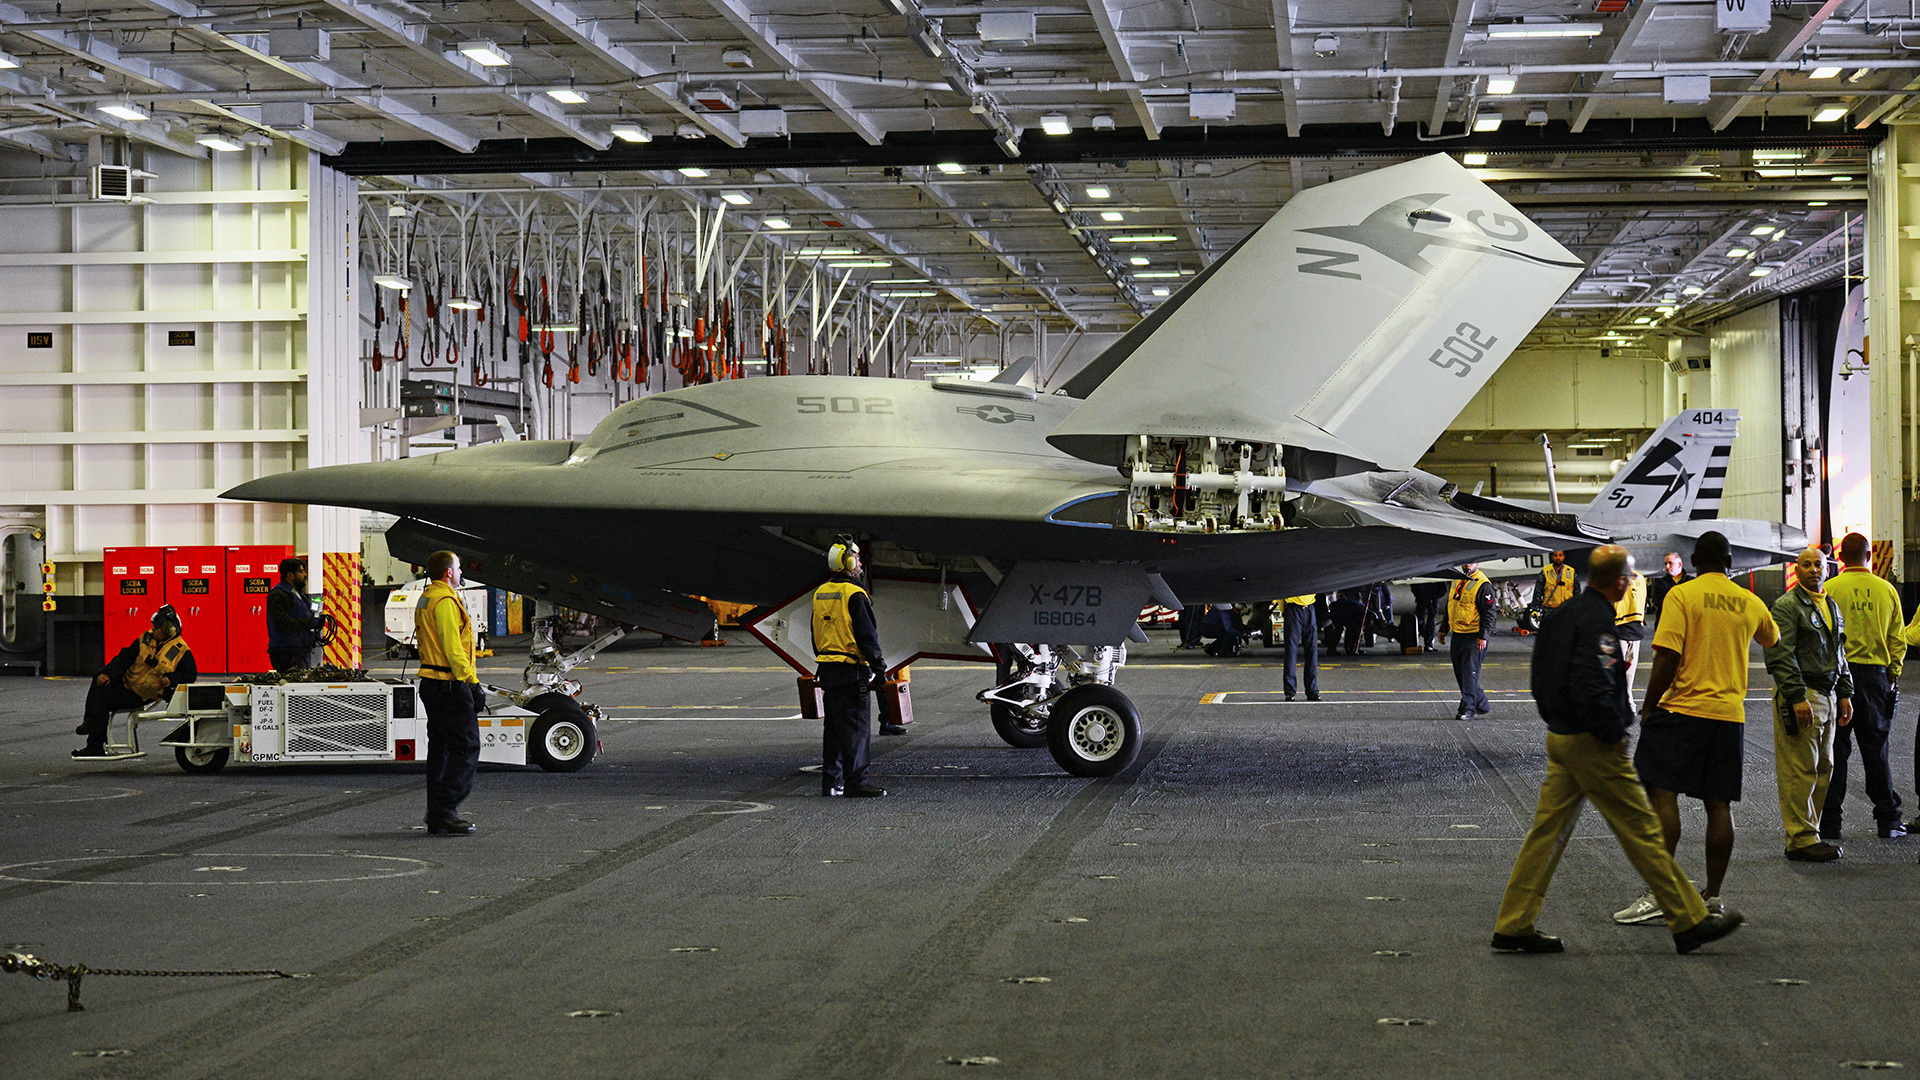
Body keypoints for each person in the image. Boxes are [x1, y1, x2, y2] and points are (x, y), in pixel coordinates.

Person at [1491, 545, 1743, 955]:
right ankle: (1689, 919)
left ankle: (1513, 922)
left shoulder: (1566, 613)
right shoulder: (1599, 622)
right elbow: (1596, 681)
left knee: (1546, 834)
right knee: (1642, 829)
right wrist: (1612, 730)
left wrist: (1557, 718)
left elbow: (1541, 675)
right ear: (1622, 582)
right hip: (1593, 743)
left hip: (1562, 736)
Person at [1613, 531, 1778, 926]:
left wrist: (1649, 707)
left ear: (1692, 561)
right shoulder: (1749, 600)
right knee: (1718, 804)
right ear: (1730, 561)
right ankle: (1714, 895)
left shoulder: (1681, 596)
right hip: (1727, 715)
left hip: (1683, 708)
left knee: (1661, 791)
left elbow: (1667, 656)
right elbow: (1771, 639)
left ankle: (1660, 890)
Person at [1765, 546, 1853, 862]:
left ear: (1827, 569)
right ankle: (1800, 839)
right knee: (1800, 770)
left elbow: (1840, 653)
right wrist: (1796, 695)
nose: (1814, 569)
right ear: (1796, 571)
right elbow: (1780, 653)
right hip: (1804, 695)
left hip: (1828, 695)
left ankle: (1809, 833)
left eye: (1818, 564)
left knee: (1823, 768)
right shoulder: (1788, 607)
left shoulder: (1831, 605)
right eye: (1806, 565)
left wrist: (1845, 692)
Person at [1822, 533, 1905, 839]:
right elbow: (1898, 639)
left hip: (1836, 679)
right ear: (1869, 556)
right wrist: (1892, 673)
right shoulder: (1886, 590)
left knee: (1835, 751)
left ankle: (1830, 823)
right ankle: (1889, 820)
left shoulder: (1828, 590)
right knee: (1876, 750)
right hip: (1875, 679)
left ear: (1841, 558)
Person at [812, 541, 888, 798]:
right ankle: (857, 782)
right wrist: (879, 668)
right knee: (857, 727)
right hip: (852, 670)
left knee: (833, 729)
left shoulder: (821, 592)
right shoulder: (855, 594)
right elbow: (867, 636)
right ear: (847, 562)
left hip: (828, 669)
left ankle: (830, 782)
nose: (859, 565)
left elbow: (816, 633)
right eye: (856, 559)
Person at [415, 550, 483, 836]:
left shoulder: (427, 597)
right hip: (448, 683)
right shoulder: (444, 601)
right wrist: (472, 681)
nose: (461, 572)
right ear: (448, 573)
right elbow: (453, 648)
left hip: (432, 683)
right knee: (467, 747)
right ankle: (445, 809)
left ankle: (438, 814)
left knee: (441, 750)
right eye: (458, 568)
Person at [75, 605, 197, 759]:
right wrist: (108, 673)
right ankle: (90, 725)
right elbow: (123, 658)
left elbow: (190, 674)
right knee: (100, 678)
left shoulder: (181, 650)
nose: (153, 630)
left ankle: (94, 743)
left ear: (169, 630)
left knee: (102, 699)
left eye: (157, 628)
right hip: (125, 684)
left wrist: (172, 679)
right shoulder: (144, 640)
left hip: (140, 695)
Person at [1448, 563, 1494, 721]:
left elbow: (1489, 614)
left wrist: (1484, 636)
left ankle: (1467, 709)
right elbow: (1452, 605)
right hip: (1458, 634)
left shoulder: (1483, 585)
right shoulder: (1457, 581)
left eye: (1472, 562)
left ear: (1478, 563)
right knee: (1461, 673)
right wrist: (1444, 628)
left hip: (1473, 636)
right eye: (1466, 562)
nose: (1468, 564)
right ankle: (1481, 703)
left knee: (1469, 673)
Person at [266, 557, 325, 672]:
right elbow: (282, 622)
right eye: (301, 571)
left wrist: (316, 622)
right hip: (287, 653)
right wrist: (309, 622)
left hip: (300, 650)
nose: (305, 575)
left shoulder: (298, 594)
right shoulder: (279, 594)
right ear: (290, 575)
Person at [1614, 567, 1648, 707]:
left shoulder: (1614, 577)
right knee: (1626, 670)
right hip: (1627, 627)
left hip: (1627, 626)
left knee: (1624, 670)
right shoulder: (1640, 577)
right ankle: (1625, 699)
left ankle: (1626, 699)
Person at [1281, 594, 1319, 702]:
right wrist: (1285, 610)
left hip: (1309, 607)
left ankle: (1312, 691)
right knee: (1291, 652)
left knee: (1312, 651)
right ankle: (1290, 691)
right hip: (1293, 608)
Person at [1645, 552, 1690, 636]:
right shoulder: (1660, 583)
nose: (1667, 567)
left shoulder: (1691, 581)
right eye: (1666, 564)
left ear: (1679, 564)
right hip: (1665, 627)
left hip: (1687, 628)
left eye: (1670, 563)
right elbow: (1662, 604)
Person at [1532, 550, 1577, 617]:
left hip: (1567, 609)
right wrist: (1535, 609)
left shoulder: (1571, 572)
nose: (1558, 558)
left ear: (1564, 557)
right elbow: (1538, 591)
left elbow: (1577, 591)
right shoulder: (1545, 572)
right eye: (1555, 555)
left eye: (1560, 555)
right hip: (1550, 609)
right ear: (1552, 557)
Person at [1411, 580, 1448, 651]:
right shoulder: (1435, 575)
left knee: (1430, 622)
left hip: (1428, 599)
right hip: (1425, 599)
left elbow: (1443, 589)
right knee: (1422, 621)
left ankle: (1428, 641)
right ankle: (1427, 639)